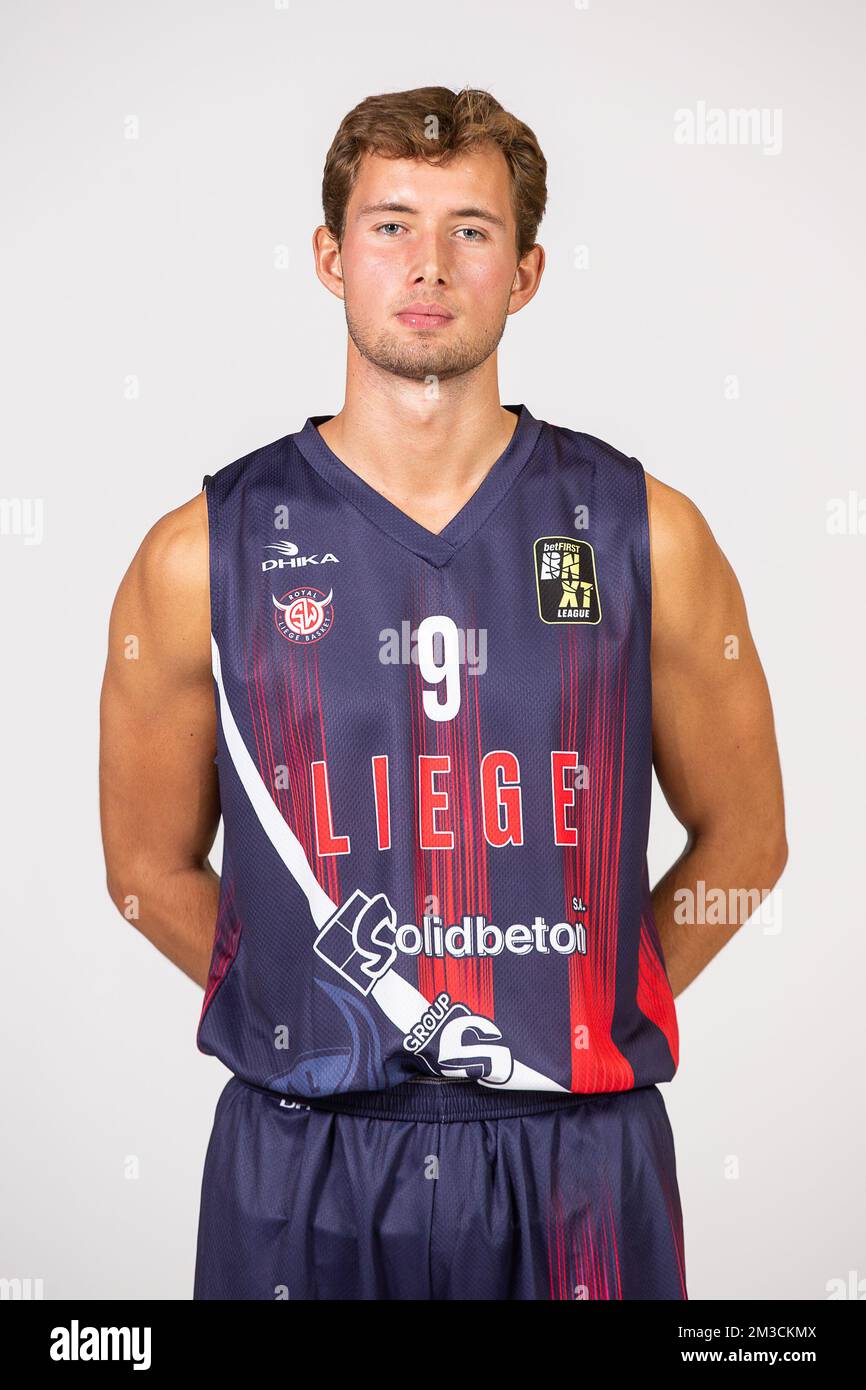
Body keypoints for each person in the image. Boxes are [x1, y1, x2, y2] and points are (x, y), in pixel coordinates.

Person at [99, 85, 787, 1300]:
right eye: (389, 225)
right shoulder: (200, 552)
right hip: (303, 1156)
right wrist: (311, 1015)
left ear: (523, 273)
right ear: (328, 258)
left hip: (574, 1157)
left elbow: (747, 839)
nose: (428, 264)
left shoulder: (646, 533)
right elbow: (145, 871)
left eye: (469, 229)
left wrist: (574, 1004)